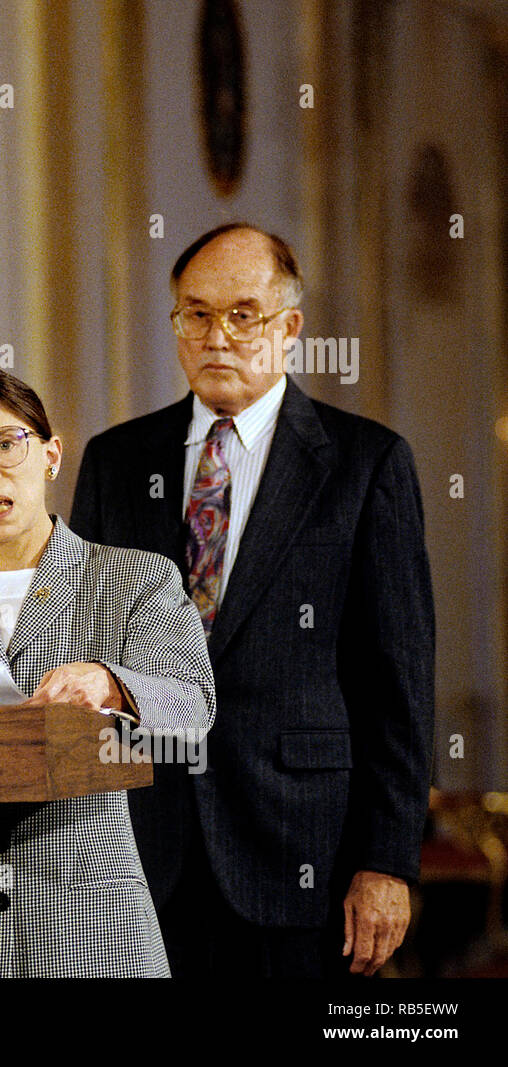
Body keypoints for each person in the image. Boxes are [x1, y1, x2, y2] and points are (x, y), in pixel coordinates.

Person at [71, 223, 435, 977]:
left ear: (290, 328)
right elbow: (82, 650)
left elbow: (397, 684)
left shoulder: (366, 465)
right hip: (144, 855)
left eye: (243, 314)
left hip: (303, 858)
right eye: (196, 314)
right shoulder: (116, 461)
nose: (218, 335)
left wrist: (387, 862)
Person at [0, 367, 215, 977]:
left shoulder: (134, 580)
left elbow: (194, 711)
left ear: (49, 456)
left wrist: (110, 682)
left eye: (5, 444)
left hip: (89, 925)